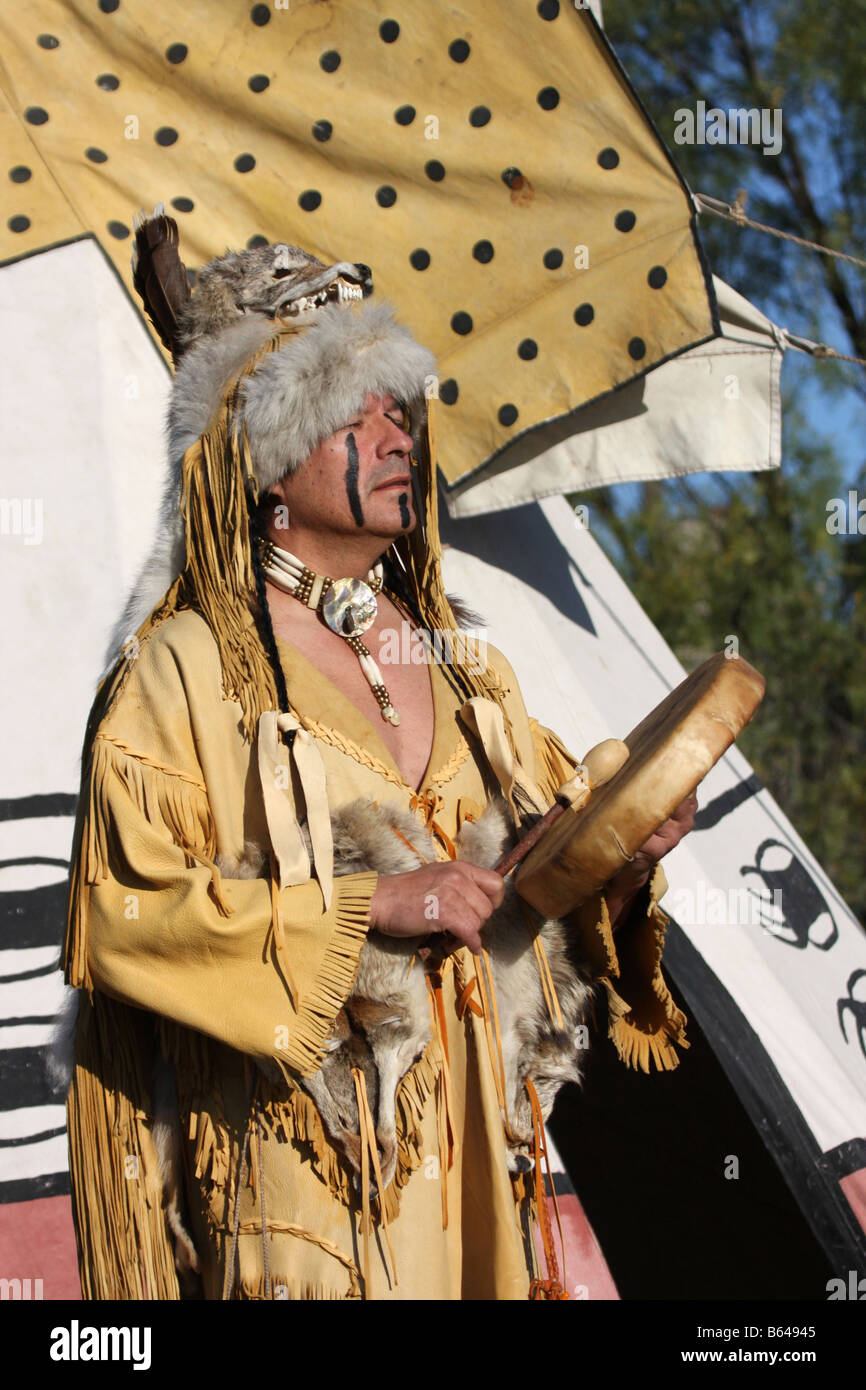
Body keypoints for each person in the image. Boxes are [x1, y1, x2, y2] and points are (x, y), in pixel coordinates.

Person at [62, 222, 695, 1300]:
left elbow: (524, 915)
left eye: (396, 404)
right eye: (349, 411)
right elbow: (122, 919)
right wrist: (372, 905)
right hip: (309, 1199)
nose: (395, 433)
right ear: (265, 454)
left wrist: (616, 860)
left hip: (480, 1192)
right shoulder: (186, 668)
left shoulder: (462, 666)